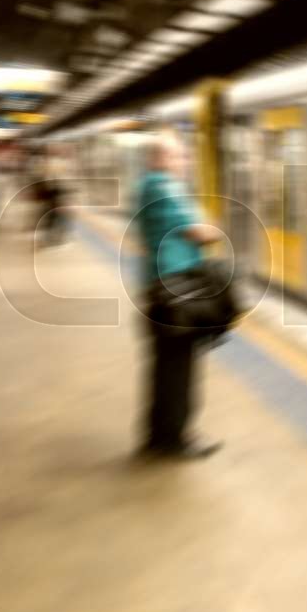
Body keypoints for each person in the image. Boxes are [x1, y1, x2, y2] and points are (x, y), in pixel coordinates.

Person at [133, 131, 222, 459]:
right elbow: (202, 232)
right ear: (161, 158)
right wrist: (215, 229)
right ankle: (177, 439)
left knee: (163, 366)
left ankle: (157, 437)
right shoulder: (166, 187)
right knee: (179, 368)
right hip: (178, 292)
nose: (184, 162)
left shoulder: (145, 186)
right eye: (178, 156)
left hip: (158, 288)